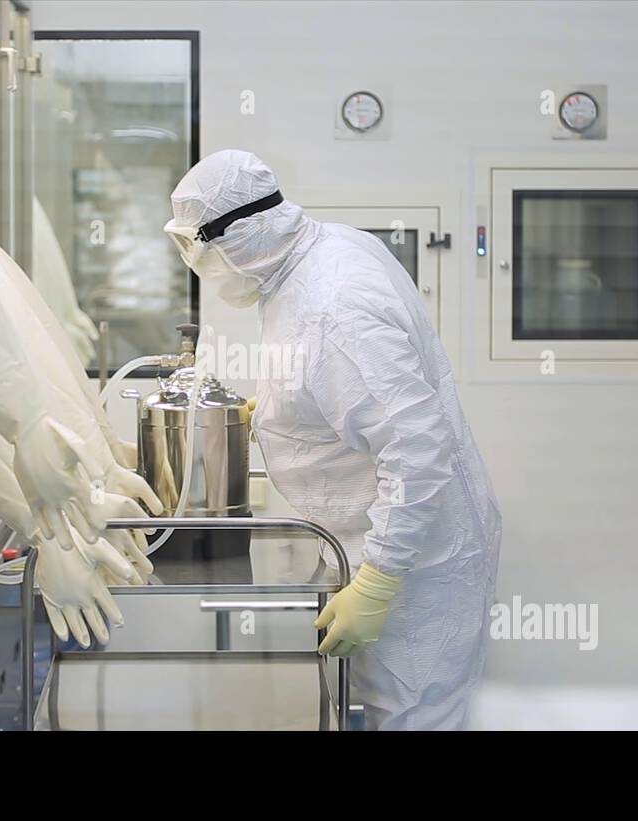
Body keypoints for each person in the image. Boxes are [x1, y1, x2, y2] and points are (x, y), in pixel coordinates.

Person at [166, 150, 502, 730]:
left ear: (239, 235)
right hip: (369, 543)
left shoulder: (333, 307)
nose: (197, 265)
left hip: (416, 564)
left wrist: (377, 580)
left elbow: (418, 450)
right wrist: (276, 413)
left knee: (414, 717)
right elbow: (345, 390)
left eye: (195, 249)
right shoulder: (316, 253)